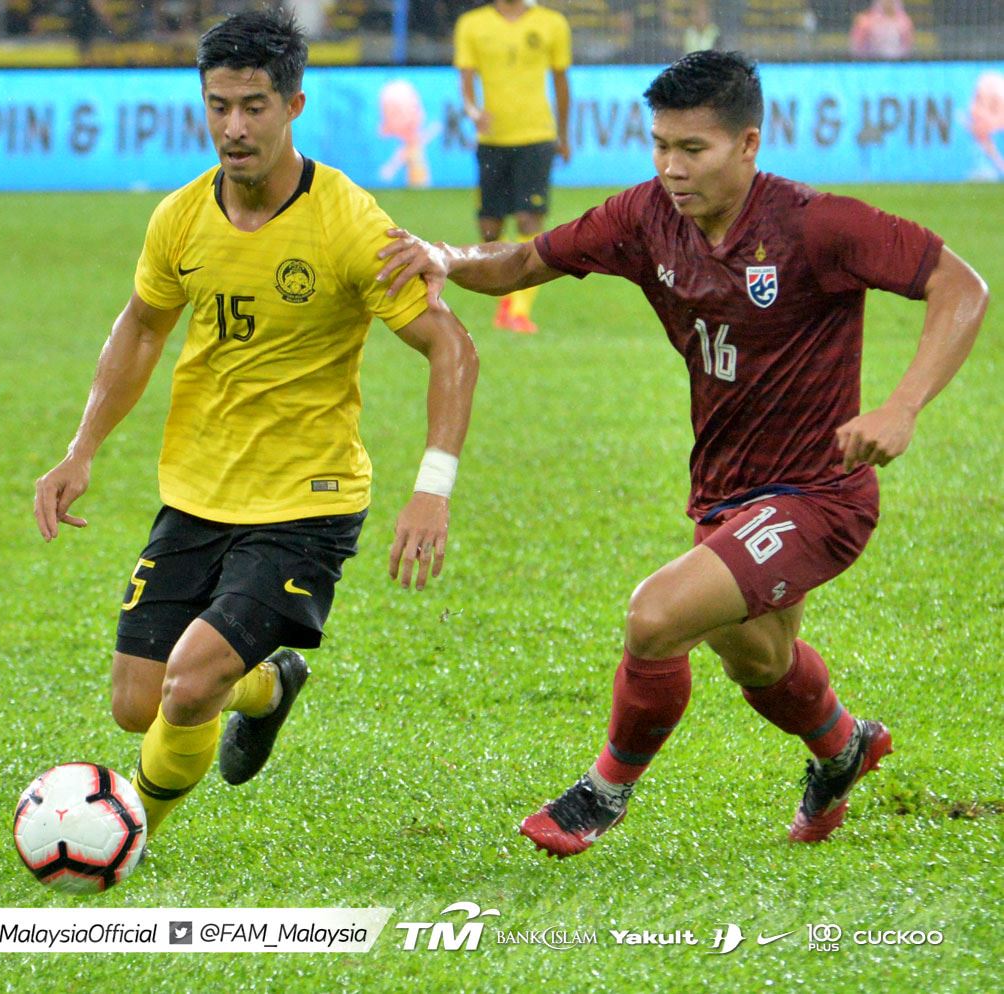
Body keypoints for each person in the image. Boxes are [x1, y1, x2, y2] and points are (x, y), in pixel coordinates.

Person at [379, 50, 988, 857]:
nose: (671, 167)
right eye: (661, 145)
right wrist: (448, 257)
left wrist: (902, 406)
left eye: (693, 149)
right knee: (759, 658)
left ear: (748, 144)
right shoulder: (644, 217)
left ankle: (601, 793)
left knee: (657, 616)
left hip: (822, 493)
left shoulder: (817, 225)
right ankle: (842, 747)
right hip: (725, 490)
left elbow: (962, 286)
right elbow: (524, 260)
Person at [34, 10, 478, 840]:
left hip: (308, 501)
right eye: (219, 106)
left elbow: (451, 346)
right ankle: (270, 685)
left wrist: (433, 489)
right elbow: (141, 329)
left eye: (253, 106)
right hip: (198, 488)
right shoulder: (181, 217)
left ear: (294, 105)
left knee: (188, 685)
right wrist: (80, 449)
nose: (233, 127)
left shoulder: (347, 221)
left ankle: (123, 835)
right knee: (138, 703)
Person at [453, 0, 571, 333]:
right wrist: (473, 111)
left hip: (537, 135)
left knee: (529, 218)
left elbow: (561, 82)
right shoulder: (472, 24)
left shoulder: (551, 23)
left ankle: (519, 310)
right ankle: (507, 297)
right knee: (490, 227)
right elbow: (466, 81)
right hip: (493, 139)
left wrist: (563, 135)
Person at [850, 0, 914, 60]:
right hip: (871, 62)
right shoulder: (865, 22)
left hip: (897, 62)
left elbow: (908, 49)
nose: (888, 3)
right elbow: (857, 49)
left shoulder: (904, 22)